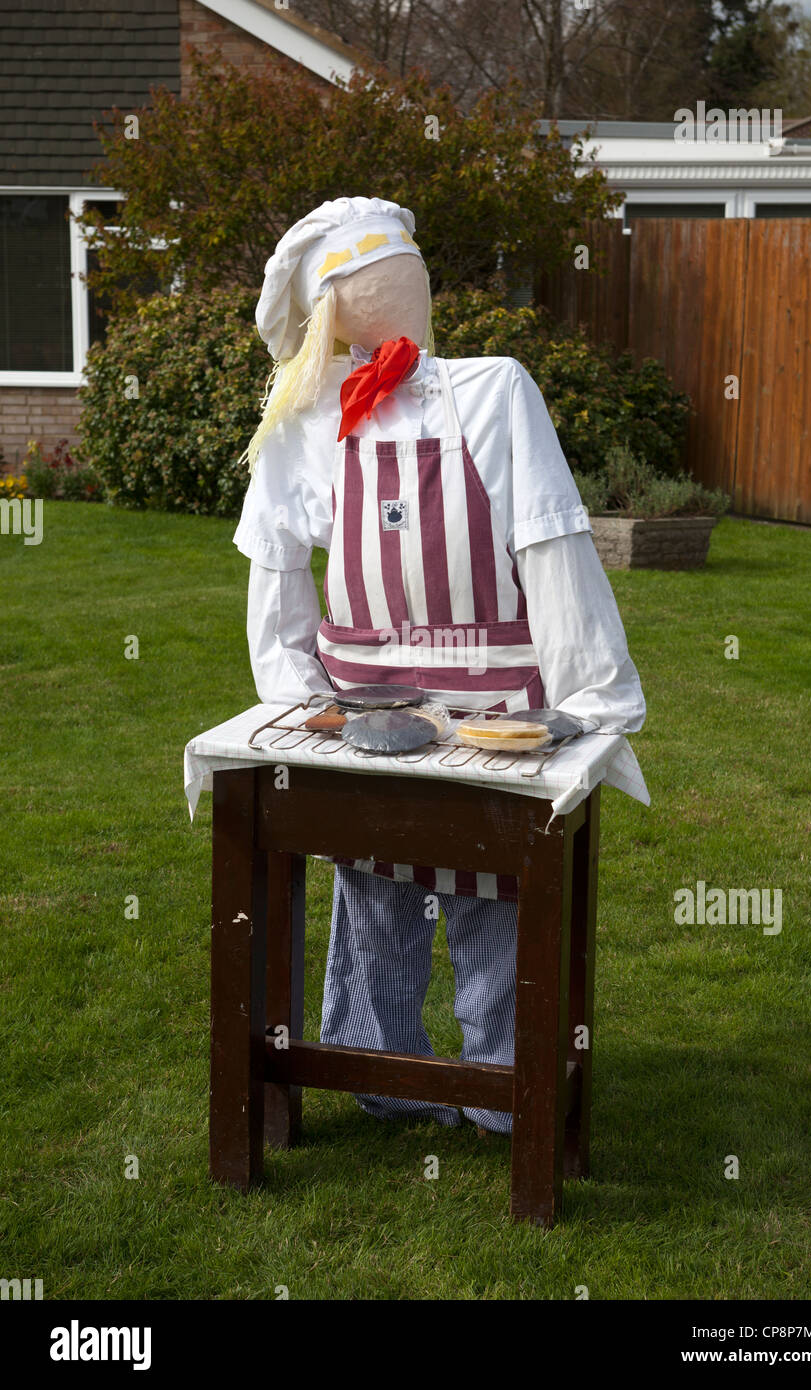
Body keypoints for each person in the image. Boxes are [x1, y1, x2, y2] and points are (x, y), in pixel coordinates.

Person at [233, 196, 646, 1135]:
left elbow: (550, 543)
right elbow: (276, 564)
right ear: (331, 307)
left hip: (497, 710)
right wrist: (296, 701)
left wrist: (592, 697)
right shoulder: (302, 419)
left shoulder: (494, 389)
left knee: (498, 901)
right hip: (367, 715)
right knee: (374, 886)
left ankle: (506, 1086)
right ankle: (382, 1073)